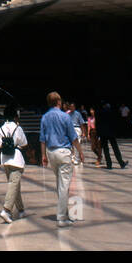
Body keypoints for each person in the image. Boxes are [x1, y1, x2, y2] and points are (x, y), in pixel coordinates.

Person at [40, 91, 77, 228]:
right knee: (64, 185)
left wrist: (43, 155)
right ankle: (61, 217)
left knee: (60, 183)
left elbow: (42, 139)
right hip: (63, 152)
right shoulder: (65, 116)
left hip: (51, 152)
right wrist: (80, 151)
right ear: (59, 102)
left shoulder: (44, 117)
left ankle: (65, 213)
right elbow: (73, 136)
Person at [0, 104, 28, 223]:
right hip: (16, 160)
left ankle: (21, 210)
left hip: (5, 160)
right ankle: (6, 210)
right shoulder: (17, 128)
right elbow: (24, 144)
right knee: (13, 185)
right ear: (15, 116)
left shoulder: (1, 129)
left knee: (15, 186)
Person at [97, 99, 127, 169]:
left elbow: (98, 123)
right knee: (115, 147)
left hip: (103, 133)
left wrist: (98, 133)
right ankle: (121, 163)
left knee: (105, 149)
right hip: (111, 132)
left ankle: (109, 164)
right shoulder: (111, 112)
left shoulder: (99, 112)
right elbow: (115, 122)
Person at [67, 101, 86, 165]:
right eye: (70, 106)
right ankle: (72, 157)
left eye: (73, 106)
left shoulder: (78, 114)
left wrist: (83, 132)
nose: (71, 108)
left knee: (76, 144)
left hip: (77, 128)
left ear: (74, 107)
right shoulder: (68, 114)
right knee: (70, 145)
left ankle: (76, 159)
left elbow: (81, 123)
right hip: (70, 129)